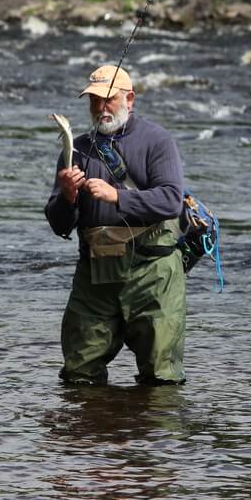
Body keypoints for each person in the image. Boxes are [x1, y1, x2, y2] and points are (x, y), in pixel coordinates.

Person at [45, 64, 187, 386]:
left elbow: (170, 201)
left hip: (153, 275)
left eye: (107, 100)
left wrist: (117, 196)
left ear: (130, 99)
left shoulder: (158, 141)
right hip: (95, 278)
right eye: (93, 101)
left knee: (161, 379)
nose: (100, 108)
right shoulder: (76, 149)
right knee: (78, 375)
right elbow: (59, 225)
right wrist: (67, 197)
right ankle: (89, 435)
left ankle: (154, 438)